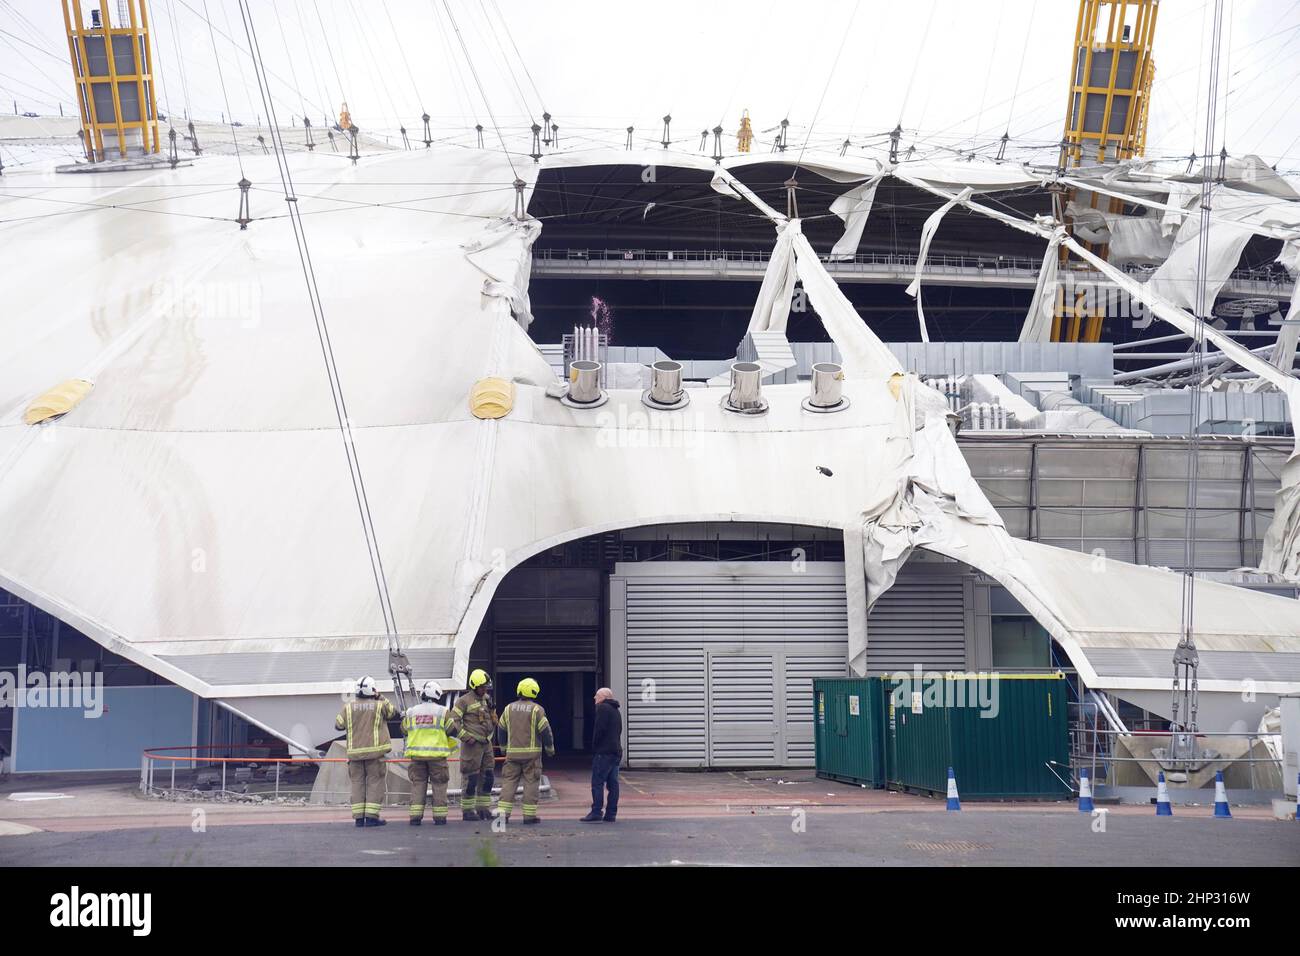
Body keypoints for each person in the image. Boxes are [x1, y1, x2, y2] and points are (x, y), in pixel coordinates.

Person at [334, 675, 399, 827]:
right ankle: (371, 817)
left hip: (355, 754)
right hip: (375, 754)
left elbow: (338, 725)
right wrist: (380, 696)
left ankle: (358, 818)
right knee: (374, 784)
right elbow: (393, 712)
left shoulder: (348, 707)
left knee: (357, 784)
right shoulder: (379, 705)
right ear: (372, 690)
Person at [495, 677, 554, 825]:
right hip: (532, 756)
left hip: (512, 754)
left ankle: (502, 816)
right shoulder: (537, 710)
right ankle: (529, 816)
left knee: (508, 783)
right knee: (531, 784)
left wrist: (503, 747)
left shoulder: (508, 708)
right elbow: (545, 731)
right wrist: (549, 748)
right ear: (534, 691)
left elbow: (501, 729)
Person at [447, 668, 497, 821]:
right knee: (471, 778)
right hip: (472, 745)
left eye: (486, 687)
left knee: (488, 776)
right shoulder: (463, 701)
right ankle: (468, 811)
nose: (485, 689)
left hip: (486, 744)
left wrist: (493, 713)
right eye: (483, 687)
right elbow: (453, 721)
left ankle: (483, 809)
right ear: (474, 686)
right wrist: (465, 737)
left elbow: (492, 718)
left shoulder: (487, 698)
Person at [402, 680, 454, 826]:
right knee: (439, 784)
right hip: (437, 757)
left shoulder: (411, 712)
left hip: (417, 757)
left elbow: (403, 729)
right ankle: (439, 818)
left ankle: (415, 817)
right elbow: (452, 730)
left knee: (418, 784)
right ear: (437, 695)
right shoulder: (443, 712)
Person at [580, 687, 622, 823]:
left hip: (604, 752)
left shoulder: (603, 708)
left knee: (597, 782)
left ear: (604, 697)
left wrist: (594, 746)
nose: (594, 698)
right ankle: (611, 813)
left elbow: (599, 730)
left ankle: (596, 811)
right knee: (613, 784)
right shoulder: (616, 710)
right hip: (615, 752)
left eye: (597, 695)